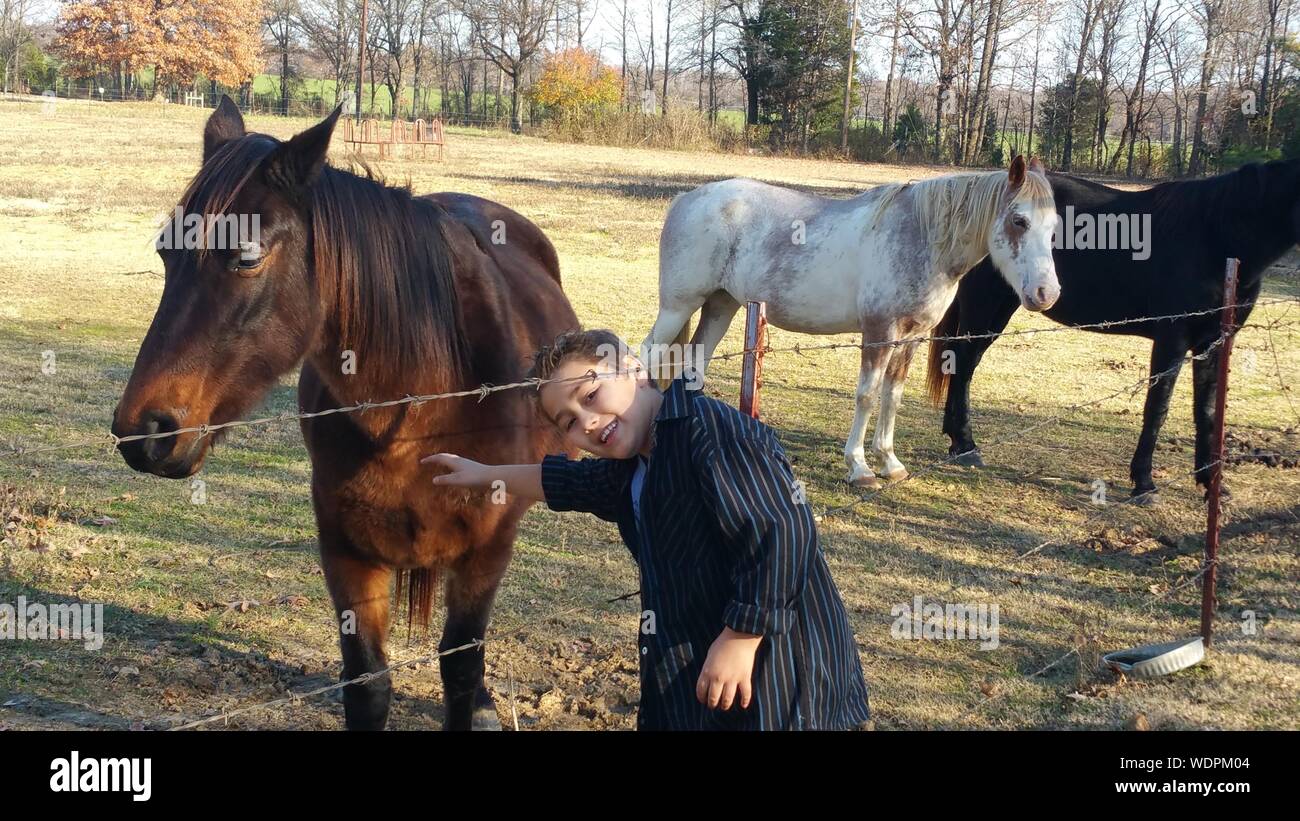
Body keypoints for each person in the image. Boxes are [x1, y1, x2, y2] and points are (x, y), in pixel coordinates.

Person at [422, 329, 870, 730]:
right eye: (570, 422)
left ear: (634, 367)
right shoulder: (632, 467)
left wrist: (741, 637)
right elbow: (567, 482)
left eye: (591, 394)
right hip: (703, 662)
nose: (588, 422)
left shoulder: (707, 432)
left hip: (781, 668)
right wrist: (484, 473)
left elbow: (782, 534)